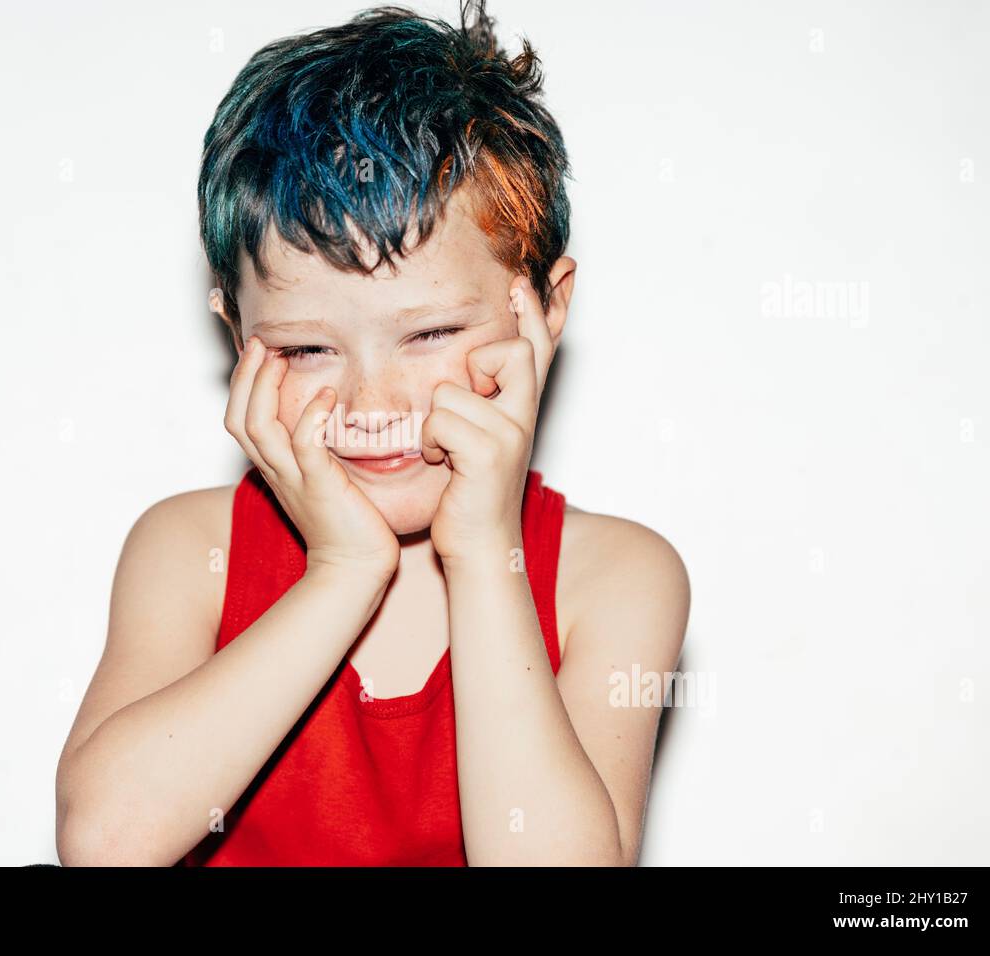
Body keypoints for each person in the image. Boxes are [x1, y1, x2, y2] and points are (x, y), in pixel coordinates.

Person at [54, 0, 689, 866]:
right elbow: (105, 844)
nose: (371, 397)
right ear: (238, 340)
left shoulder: (612, 577)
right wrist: (343, 572)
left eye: (430, 334)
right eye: (309, 347)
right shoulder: (191, 550)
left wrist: (483, 551)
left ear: (546, 307)